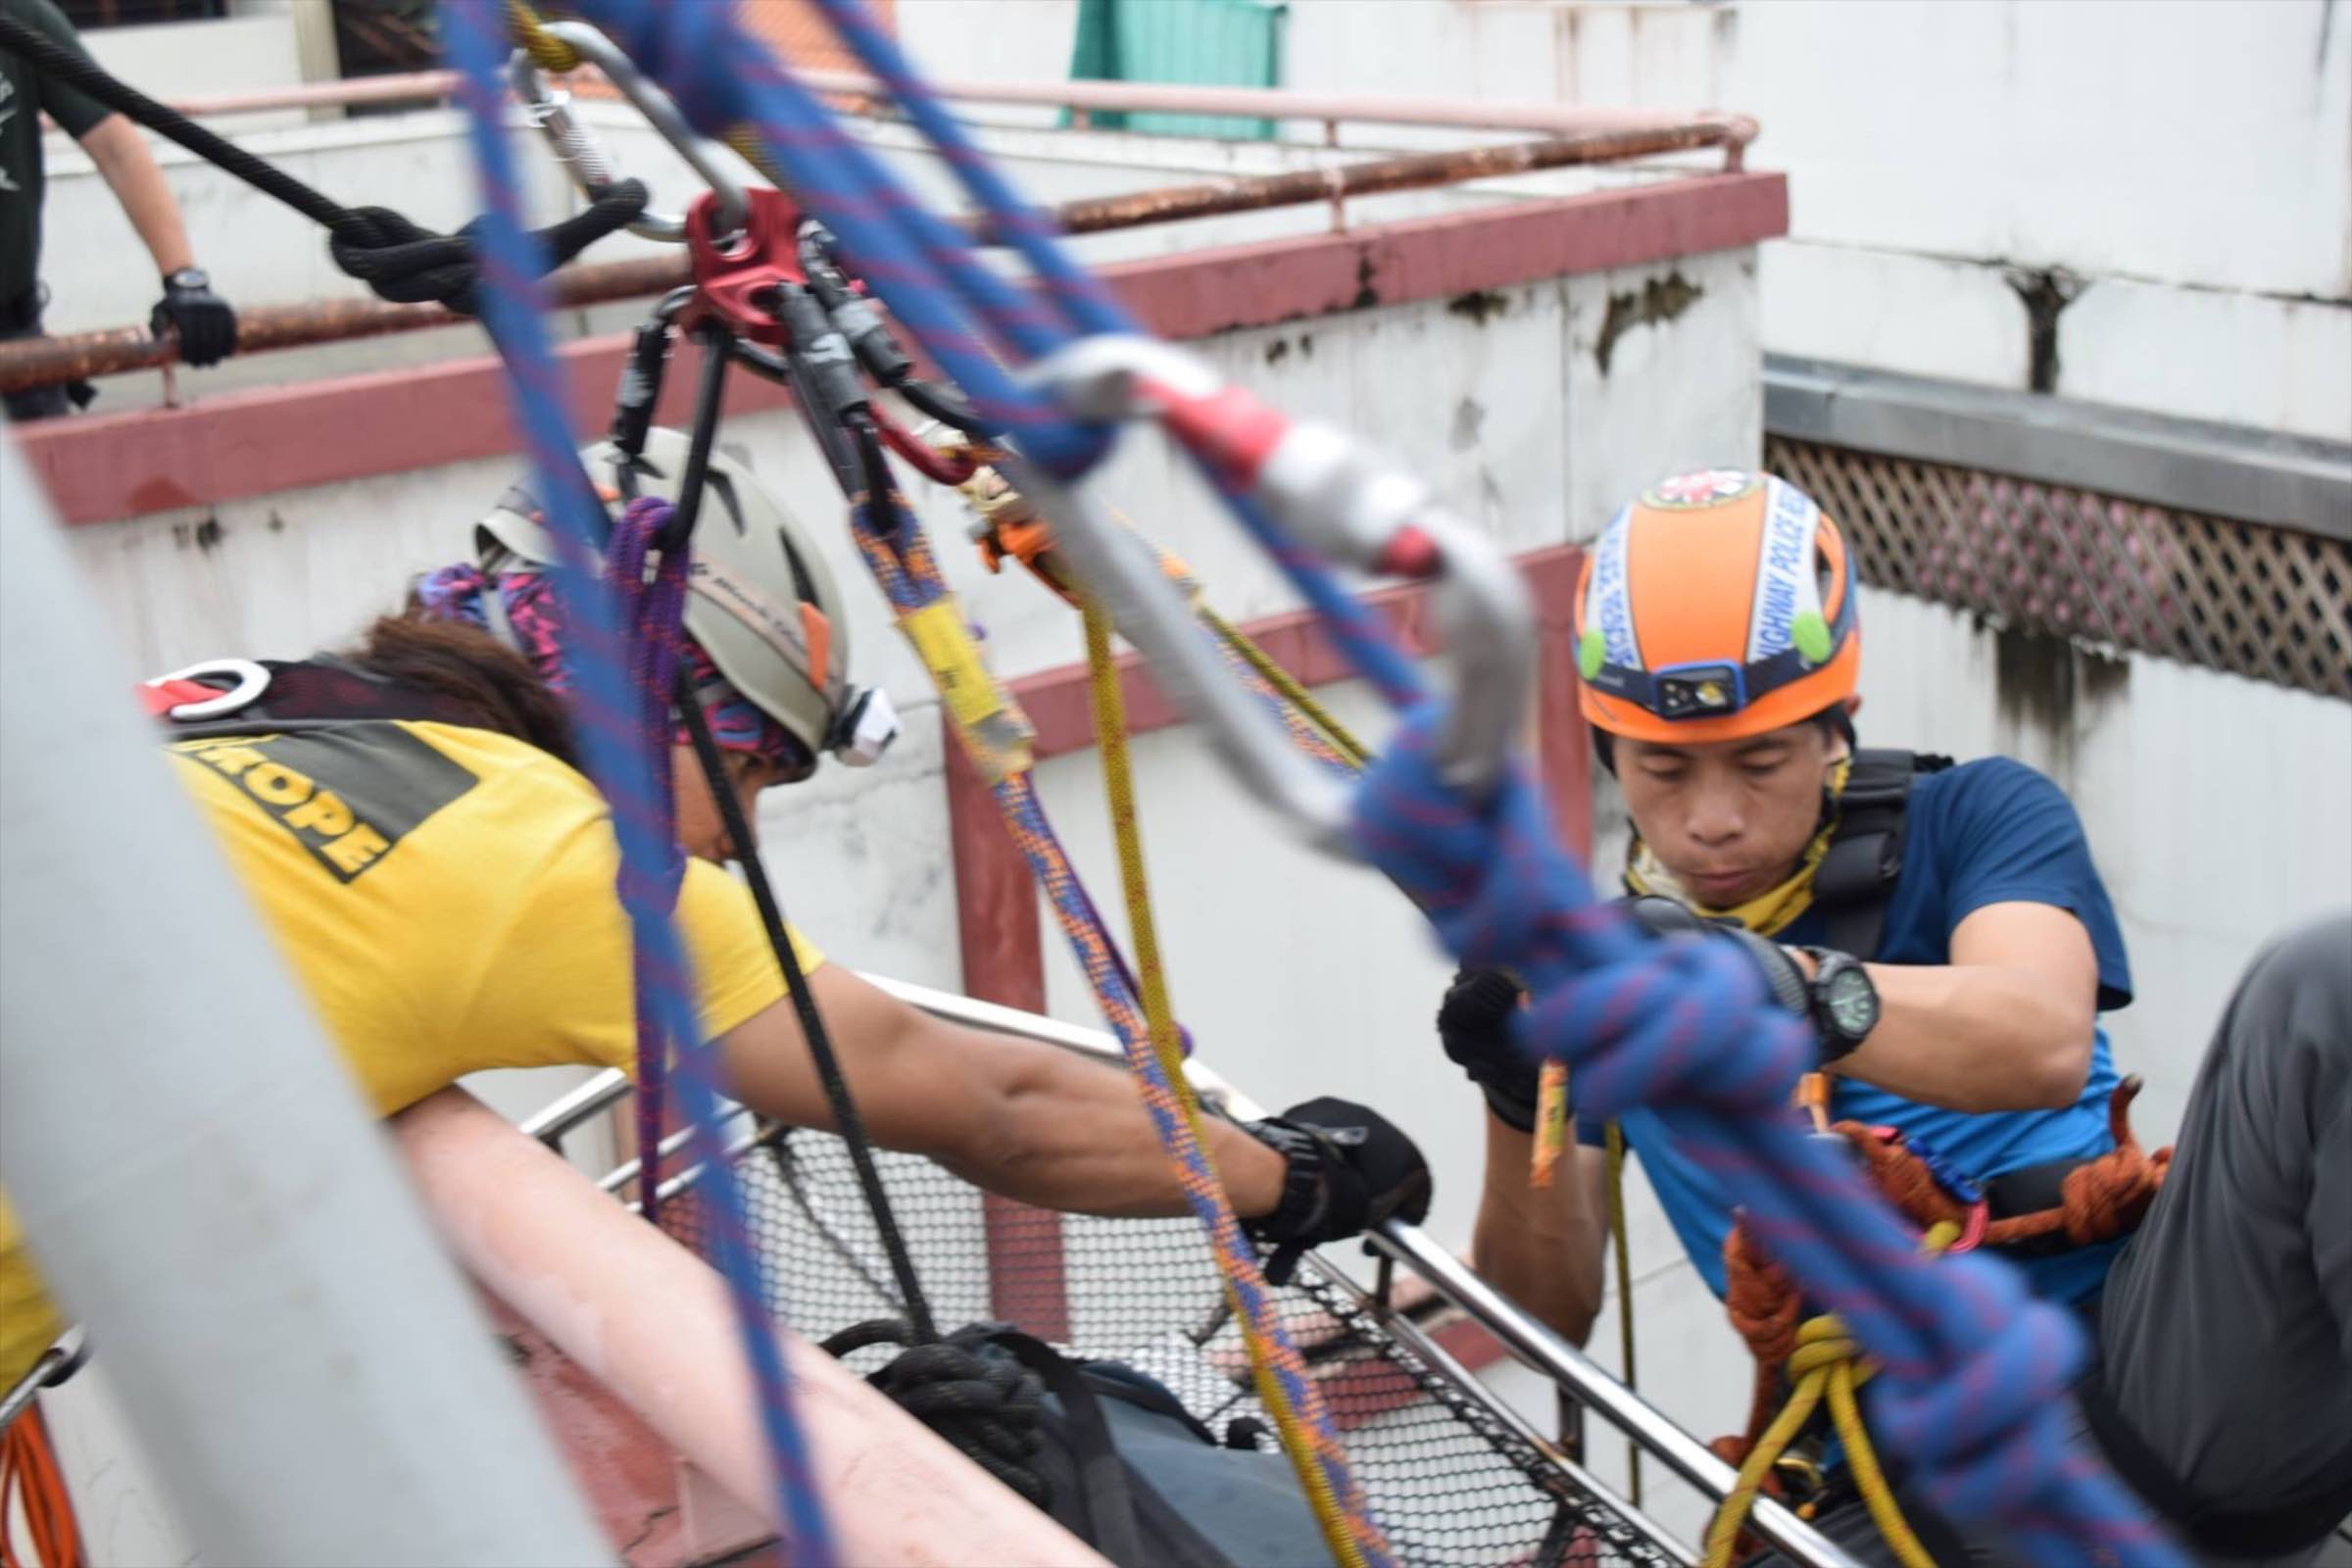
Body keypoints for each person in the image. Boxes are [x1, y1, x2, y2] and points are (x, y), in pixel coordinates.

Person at [0, 428, 1431, 1403]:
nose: (733, 840)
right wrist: (1292, 1176)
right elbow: (977, 1097)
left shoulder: (245, 695)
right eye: (746, 768)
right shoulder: (544, 859)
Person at [1435, 468, 2349, 1565]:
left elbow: (2040, 1038)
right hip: (1890, 1489)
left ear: (1836, 725)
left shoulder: (1975, 817)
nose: (1713, 819)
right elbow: (1550, 1319)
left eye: (1760, 759)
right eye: (1664, 771)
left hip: (2143, 1372)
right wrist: (1511, 1089)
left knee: (2324, 982)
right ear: (1608, 756)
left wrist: (1791, 986)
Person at [1, 0, 235, 421]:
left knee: (54, 477)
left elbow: (116, 148)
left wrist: (184, 279)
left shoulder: (19, 15)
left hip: (16, 339)